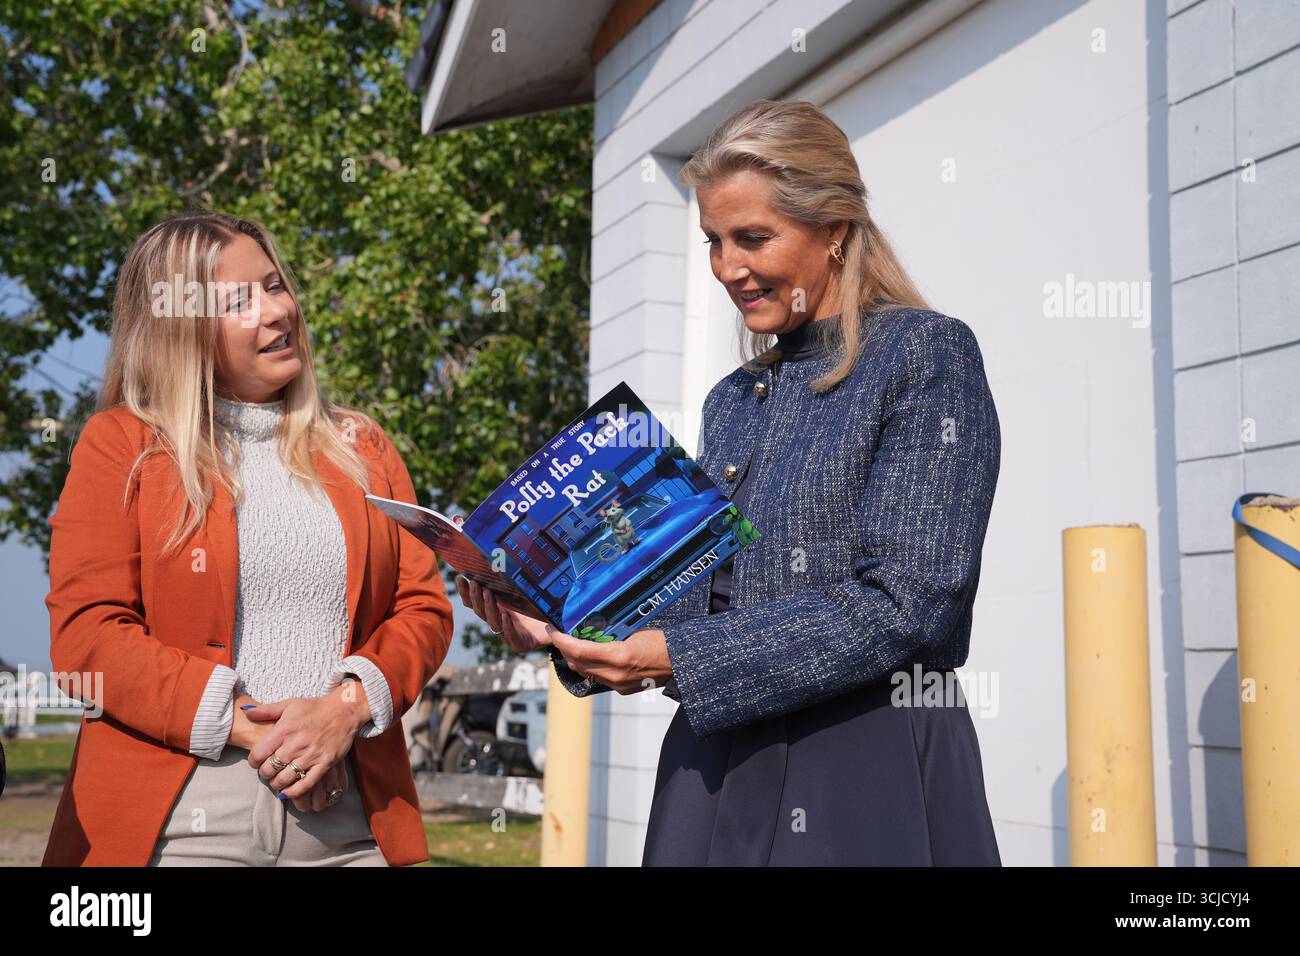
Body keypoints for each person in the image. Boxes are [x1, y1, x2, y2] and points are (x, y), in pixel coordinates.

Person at [457, 99, 1002, 865]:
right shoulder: (732, 400)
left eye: (753, 237)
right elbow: (687, 610)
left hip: (864, 755)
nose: (727, 267)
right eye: (715, 241)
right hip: (716, 766)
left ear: (836, 228)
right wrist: (561, 621)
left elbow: (908, 605)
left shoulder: (924, 356)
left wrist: (674, 658)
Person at [42, 212, 453, 866]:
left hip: (351, 817)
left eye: (274, 285)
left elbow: (423, 610)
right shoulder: (122, 445)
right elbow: (87, 636)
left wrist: (345, 710)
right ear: (179, 330)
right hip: (182, 820)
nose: (276, 311)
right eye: (239, 301)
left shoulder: (363, 447)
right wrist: (264, 731)